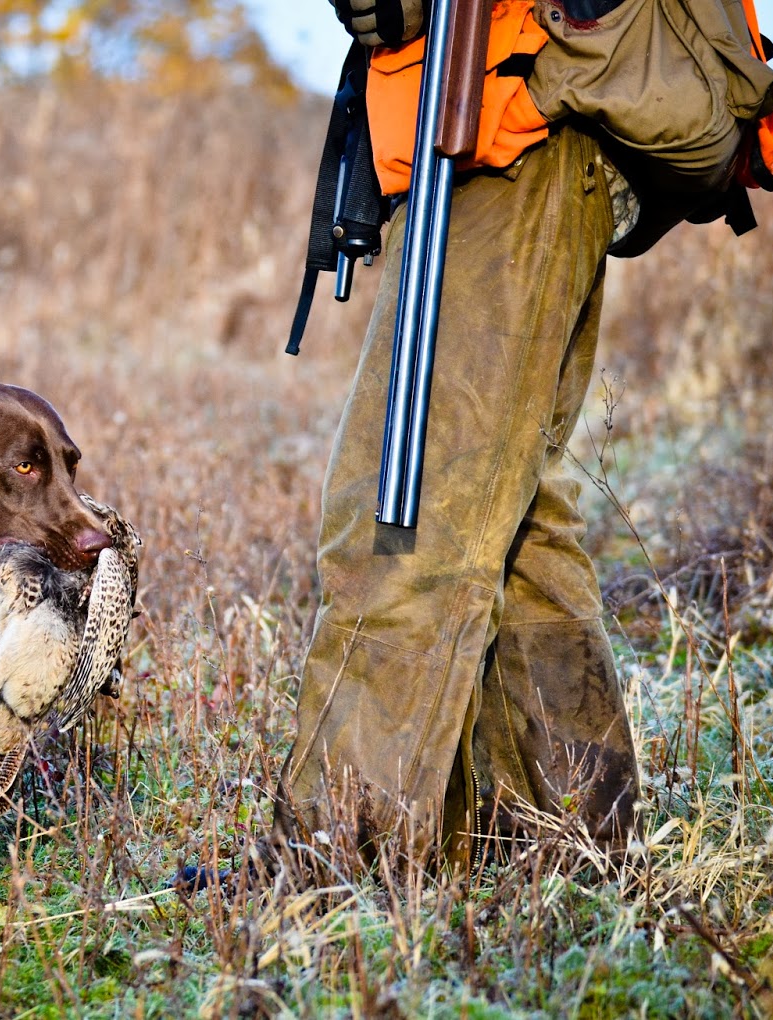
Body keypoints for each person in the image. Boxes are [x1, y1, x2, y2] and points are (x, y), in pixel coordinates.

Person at [272, 0, 642, 876]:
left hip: (505, 138)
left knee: (398, 518)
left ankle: (337, 861)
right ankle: (569, 846)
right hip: (518, 141)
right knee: (512, 522)